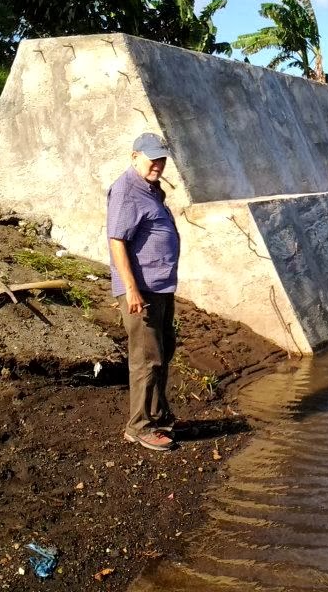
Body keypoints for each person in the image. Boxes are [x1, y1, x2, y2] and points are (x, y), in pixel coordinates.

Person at [107, 132, 181, 451]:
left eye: (162, 158)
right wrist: (131, 290)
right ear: (134, 156)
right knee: (146, 358)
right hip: (142, 291)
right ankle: (138, 426)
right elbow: (117, 242)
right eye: (152, 158)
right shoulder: (126, 190)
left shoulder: (150, 189)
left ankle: (156, 414)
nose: (158, 164)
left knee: (163, 351)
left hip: (161, 287)